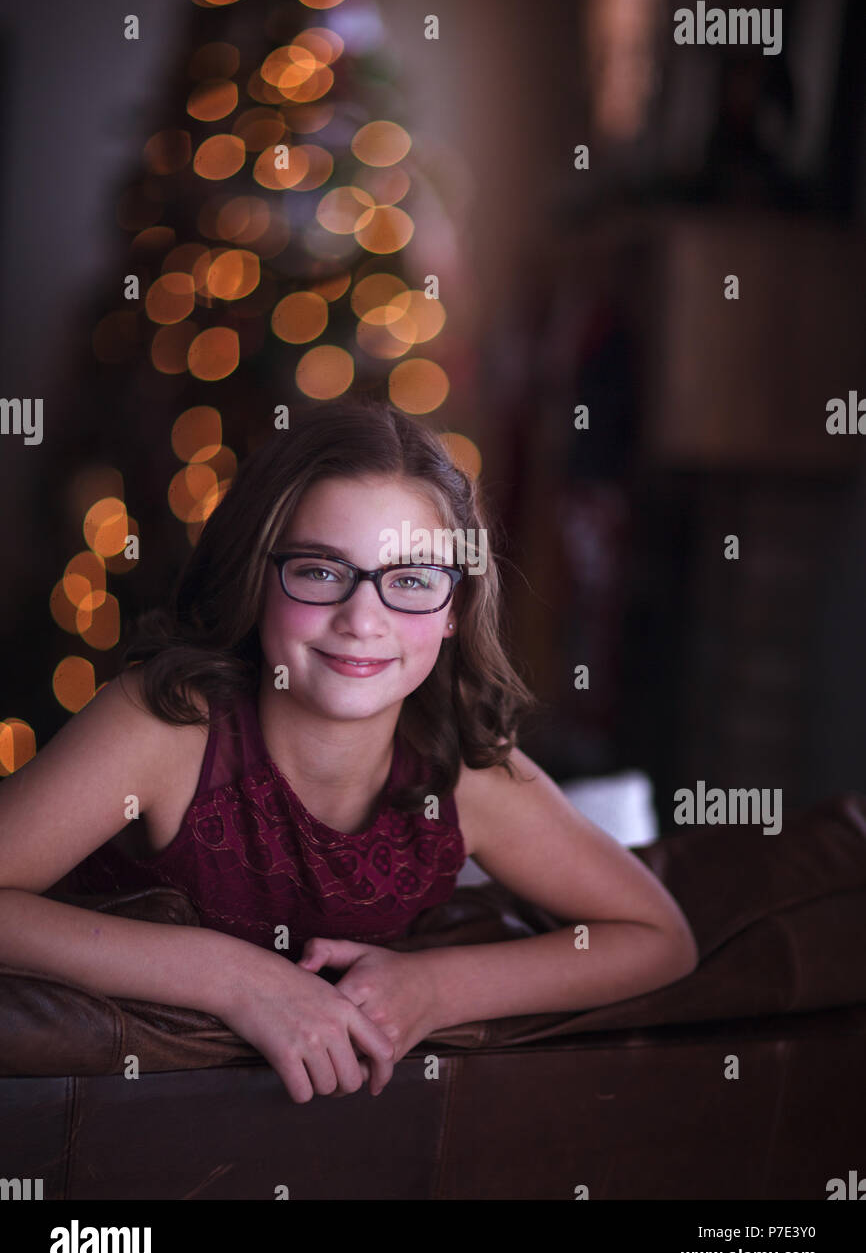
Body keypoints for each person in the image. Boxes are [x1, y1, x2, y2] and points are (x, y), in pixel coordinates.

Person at [0, 397, 698, 1103]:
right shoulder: (164, 723)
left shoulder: (461, 775)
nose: (363, 620)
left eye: (413, 581)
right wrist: (230, 977)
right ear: (258, 575)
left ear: (454, 609)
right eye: (322, 571)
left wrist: (435, 987)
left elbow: (658, 937)